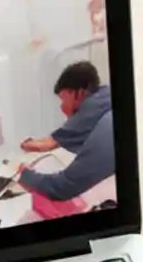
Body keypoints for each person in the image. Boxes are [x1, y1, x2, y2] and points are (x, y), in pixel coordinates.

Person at [17, 61, 115, 201]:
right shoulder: (106, 99)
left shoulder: (101, 122)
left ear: (80, 93)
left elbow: (63, 187)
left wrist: (25, 175)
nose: (62, 107)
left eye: (63, 99)